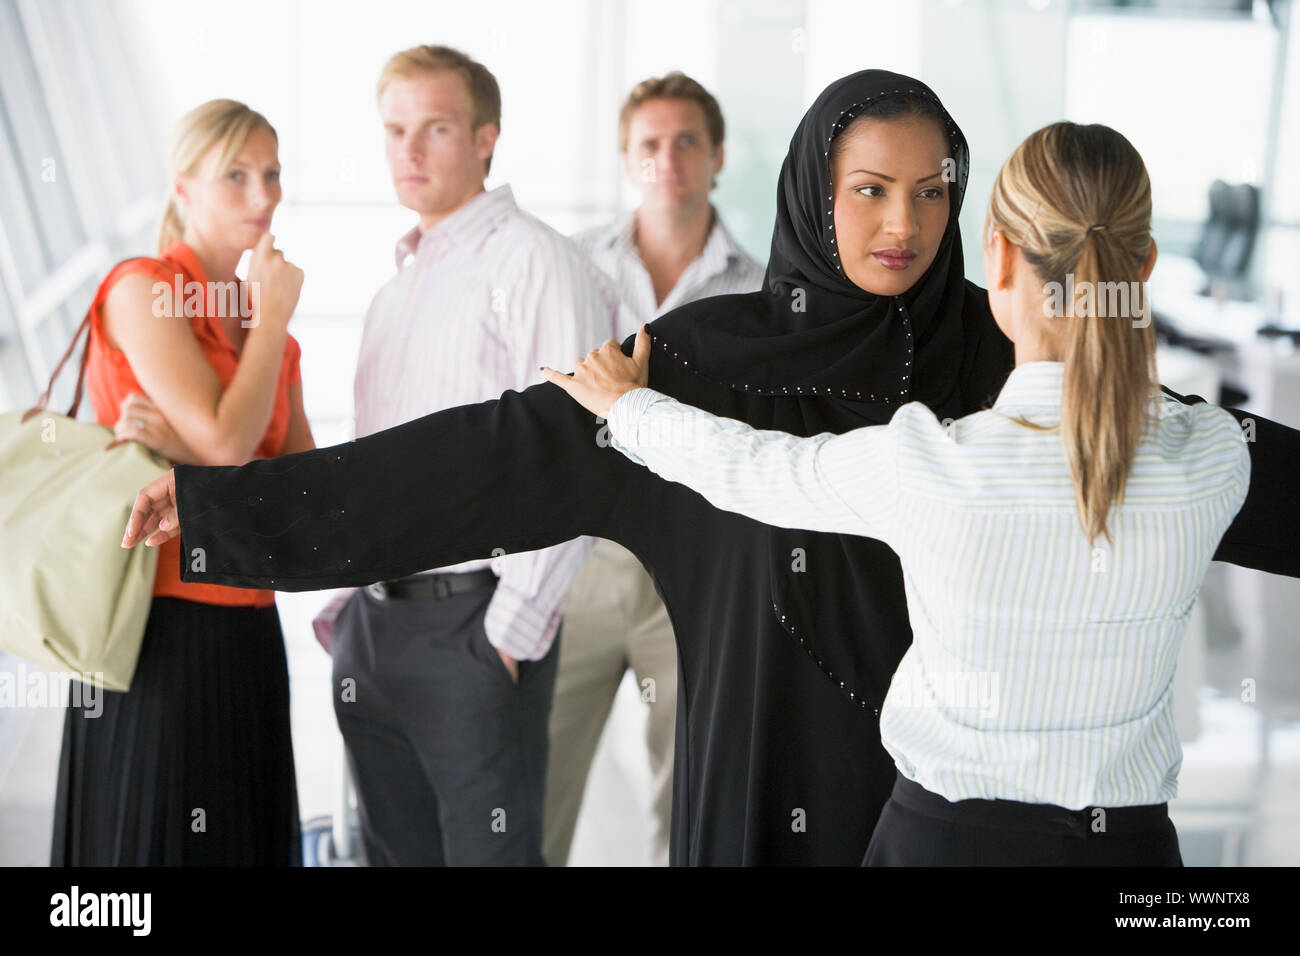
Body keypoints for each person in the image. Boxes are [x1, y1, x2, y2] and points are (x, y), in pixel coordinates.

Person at [122, 71, 1300, 866]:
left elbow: (1232, 469)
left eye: (934, 190)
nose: (904, 222)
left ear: (975, 214)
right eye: (870, 190)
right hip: (766, 772)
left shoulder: (1033, 359)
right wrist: (228, 507)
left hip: (949, 813)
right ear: (811, 192)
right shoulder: (698, 360)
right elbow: (474, 464)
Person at [545, 122, 1250, 866]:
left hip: (947, 845)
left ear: (1000, 257)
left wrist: (627, 407)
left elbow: (754, 466)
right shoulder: (1213, 458)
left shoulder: (936, 465)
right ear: (1143, 268)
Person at [316, 45, 618, 867]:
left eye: (436, 128)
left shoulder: (538, 264)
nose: (409, 152)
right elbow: (368, 463)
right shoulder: (392, 292)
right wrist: (346, 613)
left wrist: (508, 637)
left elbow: (581, 458)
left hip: (474, 632)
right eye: (394, 131)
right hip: (375, 631)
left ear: (485, 138)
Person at [58, 98, 310, 865]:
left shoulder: (273, 340)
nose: (262, 195)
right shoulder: (143, 289)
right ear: (183, 188)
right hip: (154, 628)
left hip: (248, 629)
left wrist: (197, 460)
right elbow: (236, 445)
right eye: (235, 175)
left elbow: (307, 495)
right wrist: (267, 330)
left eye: (271, 173)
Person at [547, 72, 764, 867]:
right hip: (582, 565)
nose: (667, 158)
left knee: (692, 806)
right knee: (538, 790)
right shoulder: (569, 267)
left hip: (698, 574)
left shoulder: (765, 287)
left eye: (686, 142)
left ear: (717, 157)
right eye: (650, 143)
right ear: (625, 157)